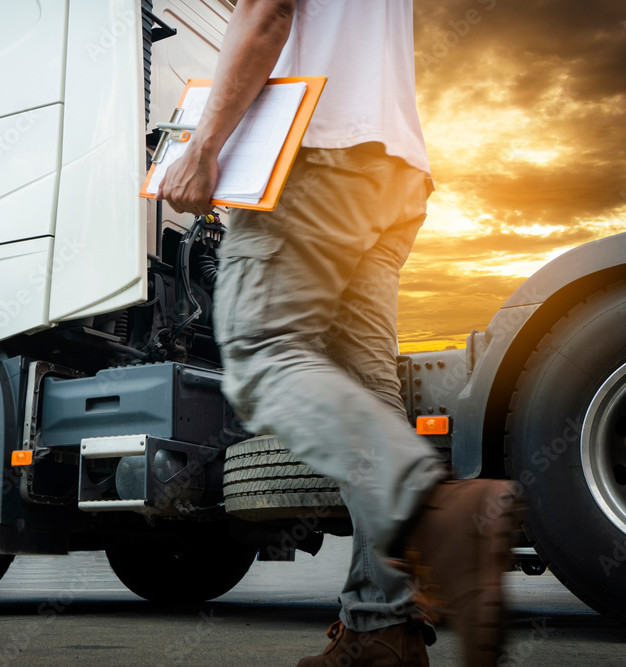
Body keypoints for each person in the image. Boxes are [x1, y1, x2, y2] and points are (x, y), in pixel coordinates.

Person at [156, 1, 523, 665]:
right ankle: (382, 627)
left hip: (311, 149)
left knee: (259, 352)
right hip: (392, 168)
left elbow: (267, 12)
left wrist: (203, 148)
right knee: (369, 394)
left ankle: (435, 511)